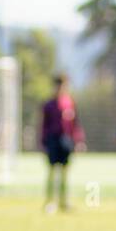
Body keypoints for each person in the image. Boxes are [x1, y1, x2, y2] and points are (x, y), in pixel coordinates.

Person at [39, 74, 85, 213]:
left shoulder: (70, 103)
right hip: (53, 139)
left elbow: (75, 124)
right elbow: (43, 125)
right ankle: (49, 202)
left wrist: (78, 140)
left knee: (65, 172)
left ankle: (64, 202)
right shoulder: (48, 105)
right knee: (52, 171)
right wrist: (42, 142)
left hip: (66, 140)